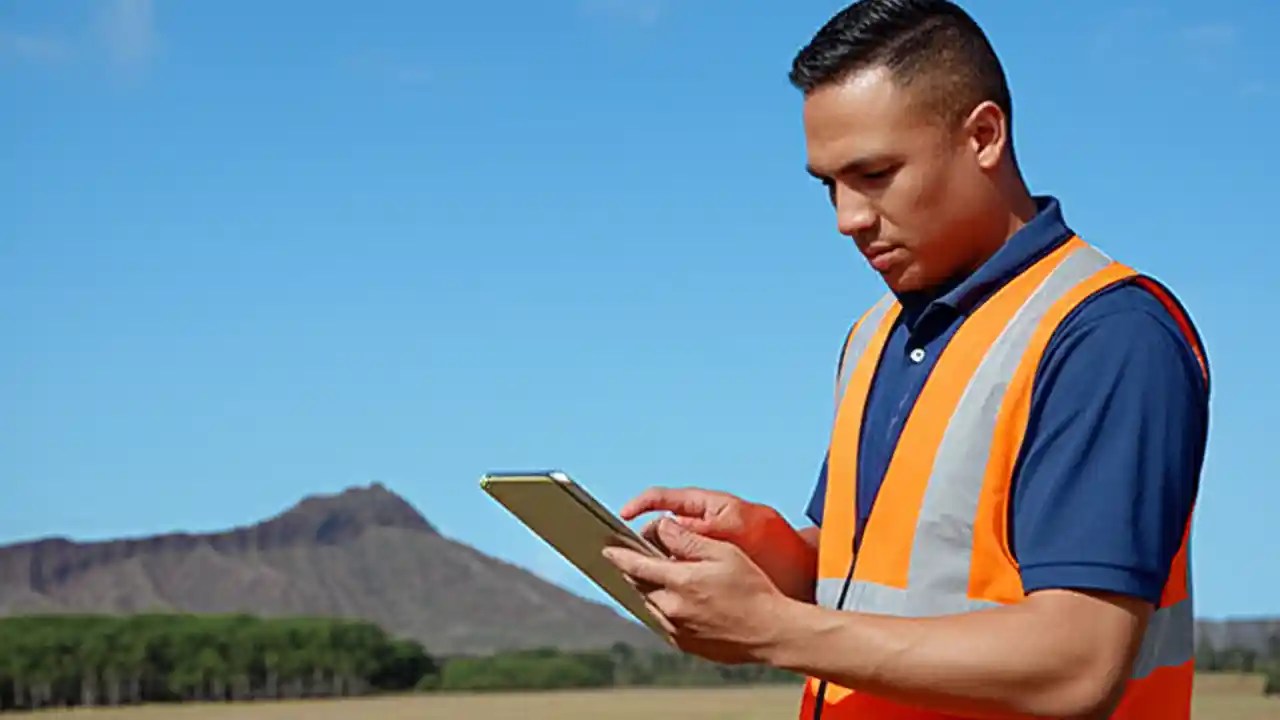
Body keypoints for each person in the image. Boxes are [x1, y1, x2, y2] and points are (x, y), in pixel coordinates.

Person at [600, 0, 1211, 718]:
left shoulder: (1106, 335)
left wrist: (774, 629)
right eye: (828, 184)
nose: (846, 218)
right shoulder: (874, 334)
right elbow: (890, 587)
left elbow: (1077, 663)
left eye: (875, 174)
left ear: (984, 135)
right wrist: (779, 559)